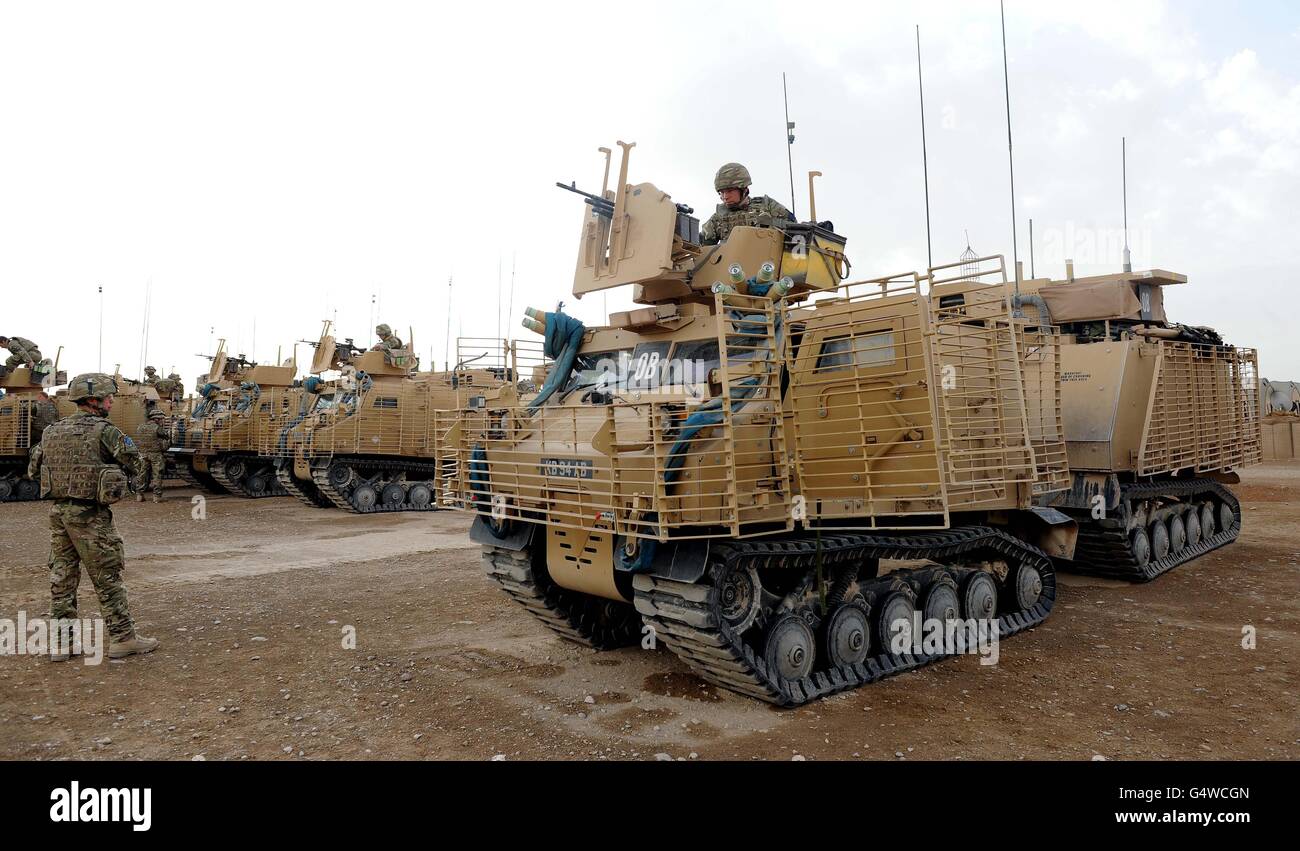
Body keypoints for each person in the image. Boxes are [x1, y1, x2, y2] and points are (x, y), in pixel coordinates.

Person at [27, 373, 159, 661]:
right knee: (107, 576)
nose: (112, 401)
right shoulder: (105, 431)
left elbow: (32, 470)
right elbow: (136, 463)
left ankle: (62, 644)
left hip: (59, 512)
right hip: (90, 515)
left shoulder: (51, 431)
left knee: (62, 578)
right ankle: (123, 638)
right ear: (93, 400)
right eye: (108, 397)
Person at [700, 163, 794, 246]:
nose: (725, 197)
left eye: (729, 191)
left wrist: (771, 223)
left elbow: (794, 229)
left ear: (744, 189)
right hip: (730, 263)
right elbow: (702, 246)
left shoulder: (767, 205)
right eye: (721, 192)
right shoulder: (718, 218)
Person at [134, 407, 170, 502]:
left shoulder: (140, 427)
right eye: (161, 419)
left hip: (143, 454)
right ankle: (156, 497)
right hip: (156, 455)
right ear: (156, 419)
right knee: (157, 475)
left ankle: (139, 495)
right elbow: (166, 436)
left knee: (142, 474)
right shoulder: (158, 428)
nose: (162, 421)